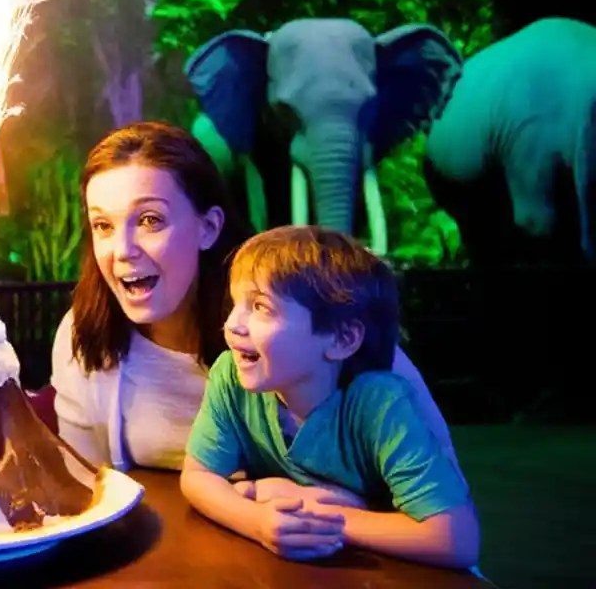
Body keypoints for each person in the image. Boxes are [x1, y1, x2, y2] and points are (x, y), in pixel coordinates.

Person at [50, 120, 461, 474]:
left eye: (150, 220)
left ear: (208, 227)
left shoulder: (313, 318)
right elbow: (90, 492)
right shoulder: (85, 333)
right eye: (102, 225)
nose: (122, 249)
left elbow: (441, 492)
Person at [180, 226, 479, 569]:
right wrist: (257, 521)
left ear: (341, 339)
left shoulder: (379, 404)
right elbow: (198, 476)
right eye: (236, 303)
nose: (233, 324)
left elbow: (457, 539)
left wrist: (318, 512)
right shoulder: (230, 375)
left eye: (261, 307)